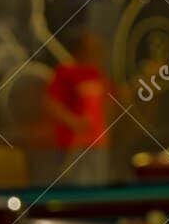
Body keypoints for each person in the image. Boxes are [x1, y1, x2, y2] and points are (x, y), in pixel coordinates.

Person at [36, 29, 113, 186]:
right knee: (73, 183)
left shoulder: (96, 73)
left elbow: (105, 106)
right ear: (80, 50)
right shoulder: (65, 72)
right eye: (92, 48)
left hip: (98, 144)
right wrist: (74, 122)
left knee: (98, 183)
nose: (97, 52)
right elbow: (50, 103)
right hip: (72, 145)